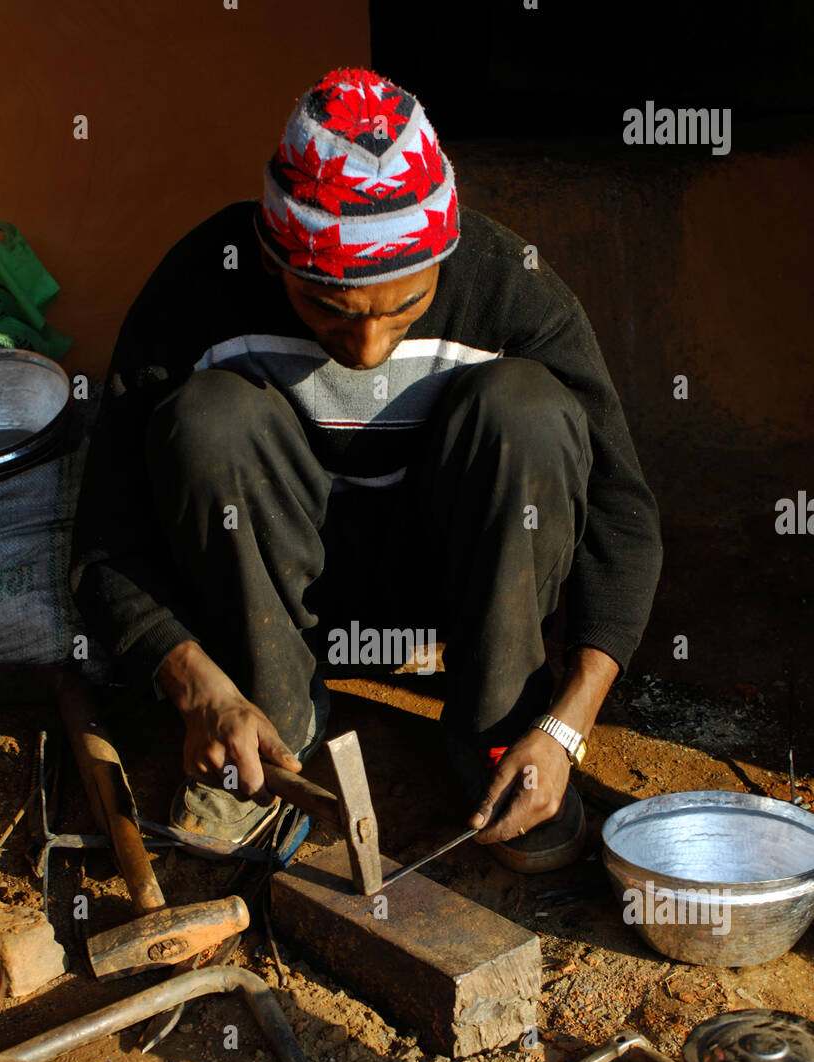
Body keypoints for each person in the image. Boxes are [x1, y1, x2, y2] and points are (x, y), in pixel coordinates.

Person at [71, 66, 662, 873]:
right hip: (269, 602)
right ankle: (266, 719)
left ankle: (497, 734)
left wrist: (564, 726)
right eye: (328, 309)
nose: (369, 348)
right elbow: (109, 531)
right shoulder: (199, 288)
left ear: (445, 259)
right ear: (274, 254)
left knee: (527, 408)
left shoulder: (506, 285)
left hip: (452, 596)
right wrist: (196, 686)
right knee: (208, 418)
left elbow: (620, 519)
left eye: (404, 308)